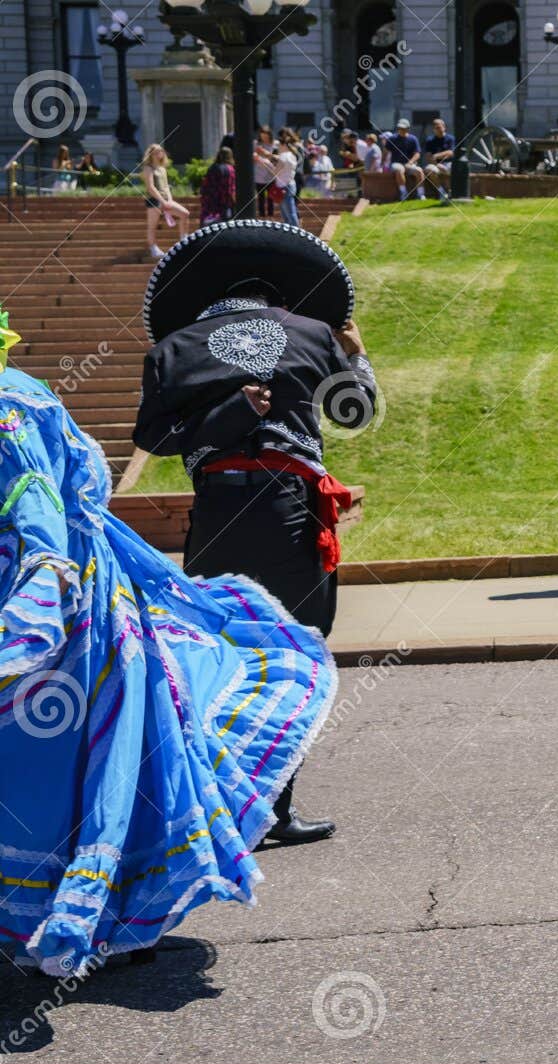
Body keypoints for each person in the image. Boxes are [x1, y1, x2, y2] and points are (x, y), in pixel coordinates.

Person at [0, 310, 339, 976]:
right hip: (74, 591)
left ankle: (114, 907)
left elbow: (37, 495)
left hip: (69, 611)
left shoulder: (11, 405)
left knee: (99, 760)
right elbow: (150, 437)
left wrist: (40, 585)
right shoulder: (170, 362)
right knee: (88, 757)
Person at [134, 219, 381, 845]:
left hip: (215, 519)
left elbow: (152, 440)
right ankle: (275, 808)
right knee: (292, 654)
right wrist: (357, 352)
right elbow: (358, 412)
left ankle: (217, 803)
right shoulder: (312, 333)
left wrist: (222, 417)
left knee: (219, 655)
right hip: (289, 516)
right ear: (277, 298)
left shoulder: (174, 349)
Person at [140, 144, 189, 259]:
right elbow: (150, 187)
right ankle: (153, 249)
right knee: (152, 226)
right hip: (154, 201)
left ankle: (184, 240)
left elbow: (166, 186)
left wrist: (169, 200)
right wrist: (162, 201)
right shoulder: (148, 168)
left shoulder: (162, 168)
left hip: (166, 200)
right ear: (151, 154)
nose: (159, 154)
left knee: (185, 214)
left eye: (161, 151)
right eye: (156, 152)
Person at [385, 118, 424, 200]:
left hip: (409, 164)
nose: (401, 130)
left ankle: (421, 194)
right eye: (399, 128)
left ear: (408, 129)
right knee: (399, 170)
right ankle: (403, 193)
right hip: (396, 163)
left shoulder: (413, 139)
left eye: (403, 128)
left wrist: (410, 162)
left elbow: (417, 154)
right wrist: (383, 165)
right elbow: (385, 151)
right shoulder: (392, 139)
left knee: (419, 171)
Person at [199, 145, 237, 225]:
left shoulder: (212, 167)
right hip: (225, 203)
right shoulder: (230, 169)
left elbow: (205, 185)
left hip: (210, 202)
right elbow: (231, 188)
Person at [422, 118, 456, 198]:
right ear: (433, 129)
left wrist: (437, 156)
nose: (438, 129)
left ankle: (451, 191)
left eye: (439, 127)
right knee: (429, 169)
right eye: (436, 128)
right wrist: (437, 164)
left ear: (444, 127)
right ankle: (441, 192)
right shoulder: (430, 140)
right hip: (435, 164)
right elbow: (429, 157)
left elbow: (451, 153)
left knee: (454, 168)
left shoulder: (450, 138)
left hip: (449, 163)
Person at [273, 143, 301, 227]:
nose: (277, 148)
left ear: (284, 146)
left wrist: (267, 164)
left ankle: (295, 236)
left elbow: (275, 172)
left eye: (279, 145)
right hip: (290, 185)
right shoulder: (292, 156)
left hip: (284, 187)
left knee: (288, 215)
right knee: (290, 214)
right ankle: (293, 235)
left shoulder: (284, 156)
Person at [253, 127, 277, 217]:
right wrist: (255, 157)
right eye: (262, 136)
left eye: (266, 137)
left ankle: (271, 217)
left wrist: (265, 155)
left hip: (270, 174)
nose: (264, 139)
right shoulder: (256, 144)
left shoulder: (275, 144)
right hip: (258, 175)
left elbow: (277, 158)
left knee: (271, 197)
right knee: (261, 198)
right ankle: (262, 217)